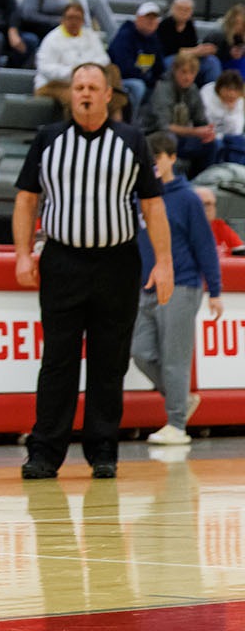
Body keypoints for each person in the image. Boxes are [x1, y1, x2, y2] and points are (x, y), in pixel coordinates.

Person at [13, 62, 174, 480]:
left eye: (92, 87)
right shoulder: (48, 139)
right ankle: (45, 451)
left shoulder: (132, 140)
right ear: (70, 94)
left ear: (108, 95)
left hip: (117, 263)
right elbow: (26, 200)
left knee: (109, 361)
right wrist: (23, 254)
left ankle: (103, 449)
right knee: (58, 361)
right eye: (78, 86)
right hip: (63, 261)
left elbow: (153, 206)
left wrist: (164, 262)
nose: (84, 93)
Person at [131, 132, 219, 446]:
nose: (152, 165)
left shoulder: (187, 199)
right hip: (147, 287)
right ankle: (181, 400)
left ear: (170, 158)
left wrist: (216, 290)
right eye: (148, 159)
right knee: (139, 352)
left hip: (182, 284)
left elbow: (205, 245)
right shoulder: (139, 197)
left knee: (174, 359)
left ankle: (177, 424)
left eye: (157, 158)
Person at [141, 51, 214, 176]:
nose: (187, 77)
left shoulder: (193, 90)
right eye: (183, 72)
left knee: (211, 143)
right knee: (169, 140)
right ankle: (170, 186)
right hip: (152, 136)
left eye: (192, 73)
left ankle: (201, 182)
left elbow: (200, 121)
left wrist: (207, 132)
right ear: (175, 70)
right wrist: (195, 132)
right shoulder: (163, 87)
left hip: (181, 137)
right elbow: (164, 126)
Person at [33, 2, 110, 107]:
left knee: (112, 97)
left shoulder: (91, 36)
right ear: (63, 19)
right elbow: (45, 68)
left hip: (86, 83)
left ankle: (113, 123)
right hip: (52, 85)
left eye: (77, 18)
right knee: (78, 98)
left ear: (83, 21)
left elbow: (104, 59)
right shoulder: (52, 39)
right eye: (70, 17)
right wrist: (74, 72)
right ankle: (74, 123)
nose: (74, 22)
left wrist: (88, 70)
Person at [108, 2, 166, 114]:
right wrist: (148, 79)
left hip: (145, 80)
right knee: (138, 86)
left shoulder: (154, 40)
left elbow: (160, 67)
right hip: (121, 80)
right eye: (147, 18)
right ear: (138, 18)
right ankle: (131, 123)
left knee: (163, 87)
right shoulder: (125, 36)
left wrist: (157, 80)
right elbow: (124, 68)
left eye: (154, 19)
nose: (151, 21)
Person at [201, 69, 245, 164]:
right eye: (229, 89)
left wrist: (230, 112)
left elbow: (237, 131)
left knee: (240, 141)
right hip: (206, 135)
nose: (232, 94)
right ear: (219, 87)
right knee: (217, 144)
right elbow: (205, 122)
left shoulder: (239, 101)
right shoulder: (207, 93)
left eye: (235, 90)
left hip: (227, 138)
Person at [197, 185, 243, 256]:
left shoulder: (220, 226)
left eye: (210, 204)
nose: (207, 209)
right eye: (203, 204)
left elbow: (240, 250)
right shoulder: (183, 230)